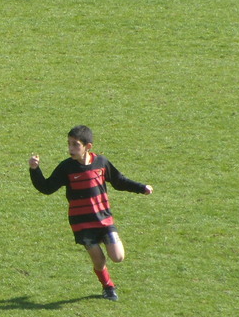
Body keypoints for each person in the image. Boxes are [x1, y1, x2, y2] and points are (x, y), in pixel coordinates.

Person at [29, 125, 153, 301]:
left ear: (88, 147)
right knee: (99, 260)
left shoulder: (101, 163)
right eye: (69, 144)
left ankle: (107, 273)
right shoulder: (66, 168)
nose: (70, 149)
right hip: (82, 223)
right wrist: (35, 170)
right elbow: (47, 188)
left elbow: (119, 181)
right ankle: (108, 287)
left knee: (118, 257)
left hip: (104, 219)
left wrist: (141, 188)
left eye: (75, 145)